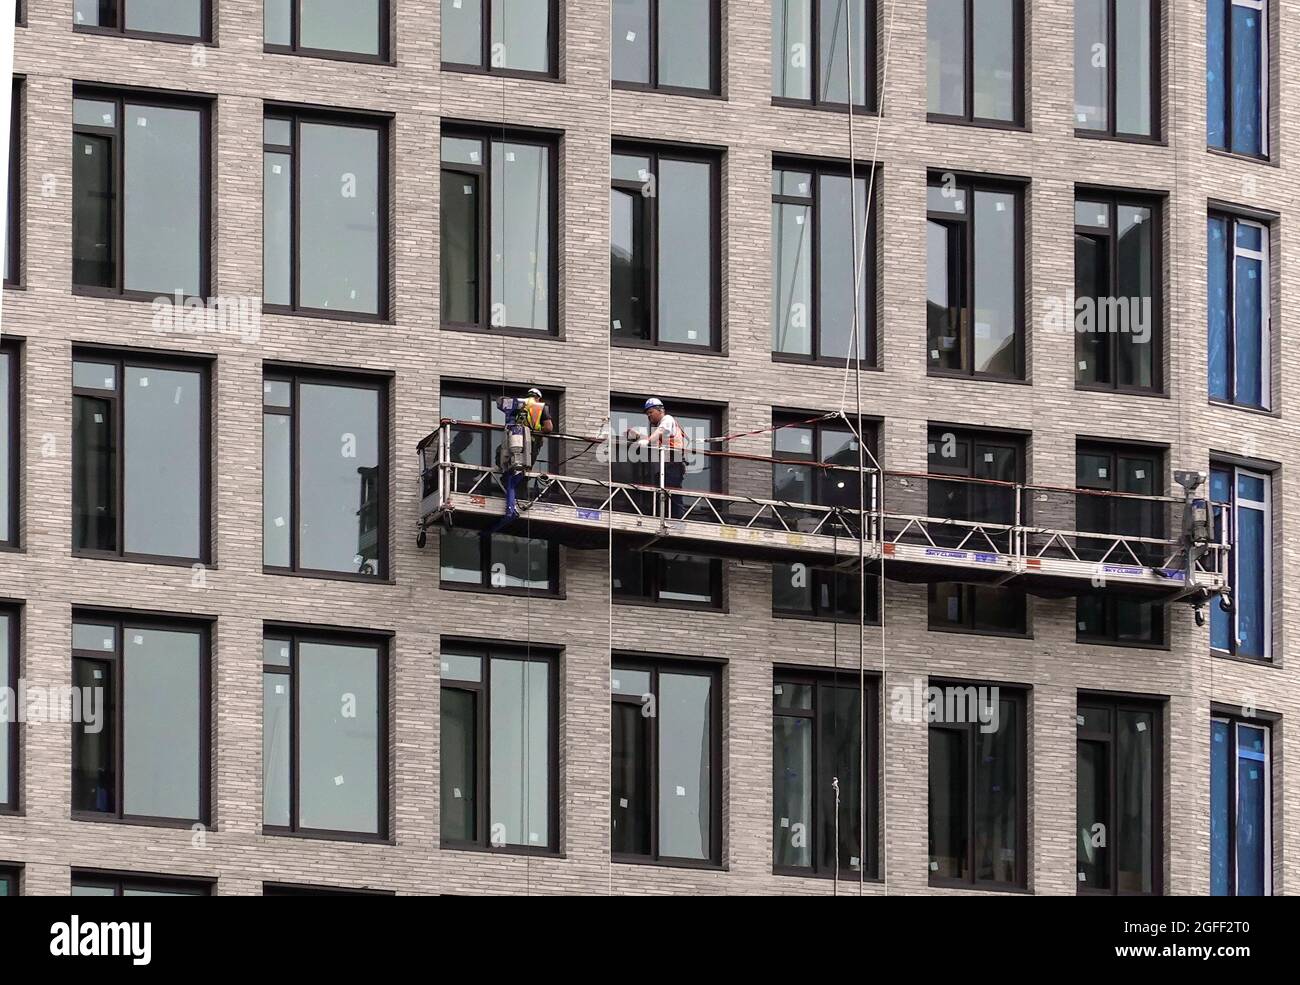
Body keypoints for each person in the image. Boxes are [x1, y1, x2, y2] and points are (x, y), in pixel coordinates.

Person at [625, 397, 690, 517]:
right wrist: (638, 436)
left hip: (673, 463)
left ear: (660, 410)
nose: (649, 416)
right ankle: (664, 516)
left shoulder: (667, 419)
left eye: (650, 412)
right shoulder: (662, 426)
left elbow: (659, 432)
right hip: (667, 464)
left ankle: (677, 520)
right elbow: (656, 439)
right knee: (664, 491)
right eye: (647, 414)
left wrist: (647, 440)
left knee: (673, 492)